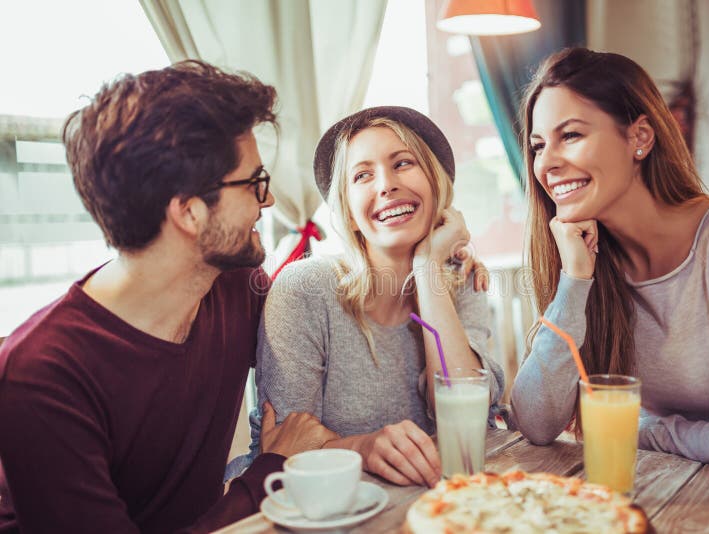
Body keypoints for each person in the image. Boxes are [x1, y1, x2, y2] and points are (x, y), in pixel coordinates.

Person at [0, 60, 338, 533]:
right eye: (255, 183)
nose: (269, 202)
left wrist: (429, 264)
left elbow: (328, 312)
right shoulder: (42, 374)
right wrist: (270, 470)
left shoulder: (234, 285)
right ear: (189, 212)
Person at [511, 47, 709, 480]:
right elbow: (534, 423)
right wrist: (574, 281)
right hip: (665, 493)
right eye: (538, 145)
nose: (547, 163)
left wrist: (652, 432)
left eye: (570, 135)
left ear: (639, 138)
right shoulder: (588, 258)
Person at [238, 107, 504, 489]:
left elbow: (467, 423)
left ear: (436, 183)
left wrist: (428, 269)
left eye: (403, 163)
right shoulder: (304, 290)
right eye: (362, 175)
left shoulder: (459, 282)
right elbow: (282, 450)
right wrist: (362, 448)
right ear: (347, 210)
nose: (385, 185)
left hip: (431, 507)